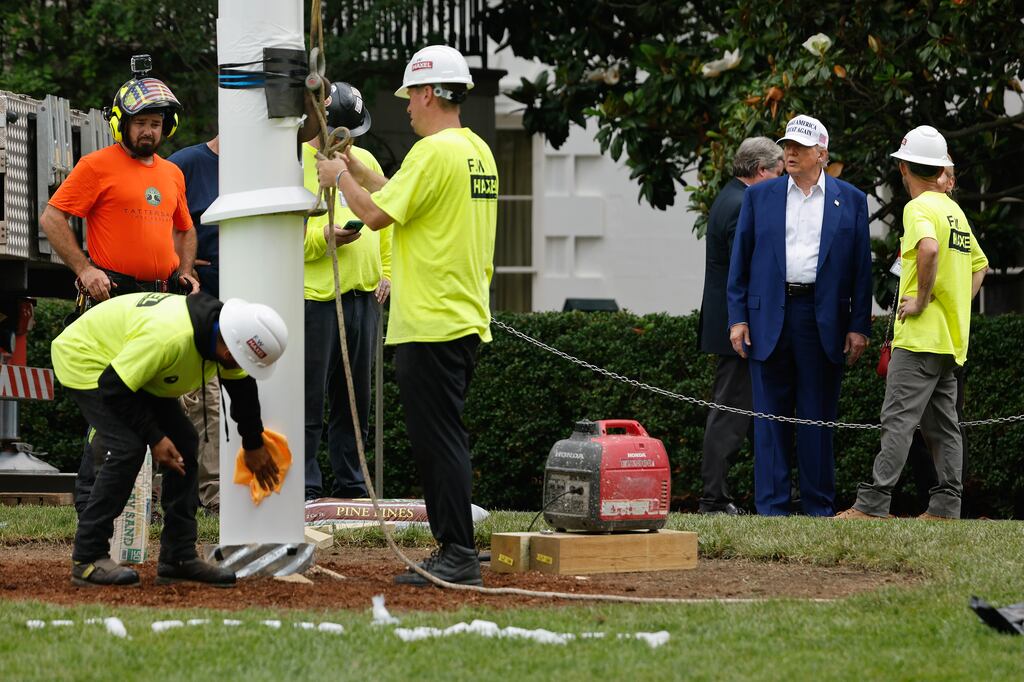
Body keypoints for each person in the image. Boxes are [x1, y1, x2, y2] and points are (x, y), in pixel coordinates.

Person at [316, 45, 496, 586]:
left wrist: (335, 176)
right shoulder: (476, 150)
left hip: (430, 321)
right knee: (446, 437)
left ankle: (457, 554)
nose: (407, 110)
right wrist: (357, 168)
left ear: (426, 93)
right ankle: (456, 549)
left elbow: (372, 215)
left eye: (409, 99)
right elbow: (398, 199)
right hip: (460, 315)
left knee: (438, 442)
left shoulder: (431, 152)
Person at [39, 69, 200, 515]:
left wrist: (185, 271)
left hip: (161, 301)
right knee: (110, 409)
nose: (149, 130)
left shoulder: (171, 174)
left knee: (159, 409)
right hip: (111, 299)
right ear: (121, 123)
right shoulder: (96, 166)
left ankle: (155, 515)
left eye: (156, 123)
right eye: (141, 122)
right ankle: (90, 506)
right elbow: (52, 218)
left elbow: (186, 230)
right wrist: (84, 267)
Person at [51, 291, 287, 586]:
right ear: (229, 350)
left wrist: (253, 443)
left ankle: (179, 556)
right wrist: (155, 437)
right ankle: (88, 557)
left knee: (186, 442)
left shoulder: (228, 334)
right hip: (90, 360)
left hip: (133, 368)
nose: (239, 366)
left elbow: (242, 390)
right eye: (240, 360)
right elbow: (113, 387)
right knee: (128, 448)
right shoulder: (169, 338)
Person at [837, 127, 987, 521]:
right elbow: (980, 266)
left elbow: (929, 248)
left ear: (903, 167)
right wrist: (954, 305)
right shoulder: (953, 210)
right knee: (944, 427)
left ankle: (872, 505)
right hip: (950, 342)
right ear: (938, 168)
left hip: (919, 339)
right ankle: (945, 507)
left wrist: (921, 300)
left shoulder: (918, 208)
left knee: (898, 421)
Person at [727, 114, 873, 517]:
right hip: (768, 316)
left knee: (818, 417)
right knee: (769, 418)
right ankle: (771, 508)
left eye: (799, 147)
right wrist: (737, 317)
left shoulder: (852, 199)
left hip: (822, 318)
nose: (789, 152)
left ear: (821, 154)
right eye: (787, 145)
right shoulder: (761, 196)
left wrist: (859, 325)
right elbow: (740, 261)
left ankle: (818, 506)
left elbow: (862, 269)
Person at [302, 82, 392, 500]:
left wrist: (387, 272)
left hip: (363, 297)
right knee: (308, 399)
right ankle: (304, 485)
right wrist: (323, 238)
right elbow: (283, 238)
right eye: (343, 134)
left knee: (355, 400)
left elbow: (387, 218)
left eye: (353, 136)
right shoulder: (293, 163)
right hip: (315, 298)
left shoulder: (365, 161)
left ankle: (351, 484)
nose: (349, 143)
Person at [697, 137, 783, 514]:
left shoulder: (731, 196)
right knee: (729, 415)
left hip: (733, 325)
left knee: (733, 413)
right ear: (761, 171)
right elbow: (742, 270)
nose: (782, 182)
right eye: (778, 173)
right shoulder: (740, 204)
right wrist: (744, 323)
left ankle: (718, 496)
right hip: (736, 328)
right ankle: (713, 499)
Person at [168, 136, 223, 514]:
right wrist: (182, 266)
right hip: (193, 302)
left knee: (216, 401)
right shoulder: (187, 163)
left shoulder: (259, 168)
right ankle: (180, 490)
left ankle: (216, 495)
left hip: (238, 302)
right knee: (191, 398)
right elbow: (164, 221)